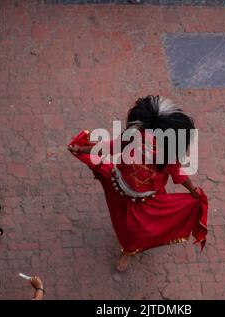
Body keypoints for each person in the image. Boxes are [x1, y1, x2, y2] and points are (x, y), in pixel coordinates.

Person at [68, 95, 208, 272]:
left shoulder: (168, 157)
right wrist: (81, 149)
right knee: (120, 221)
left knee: (136, 229)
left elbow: (178, 175)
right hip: (117, 186)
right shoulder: (132, 137)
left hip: (145, 201)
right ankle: (127, 246)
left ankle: (129, 250)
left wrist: (193, 190)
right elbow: (110, 146)